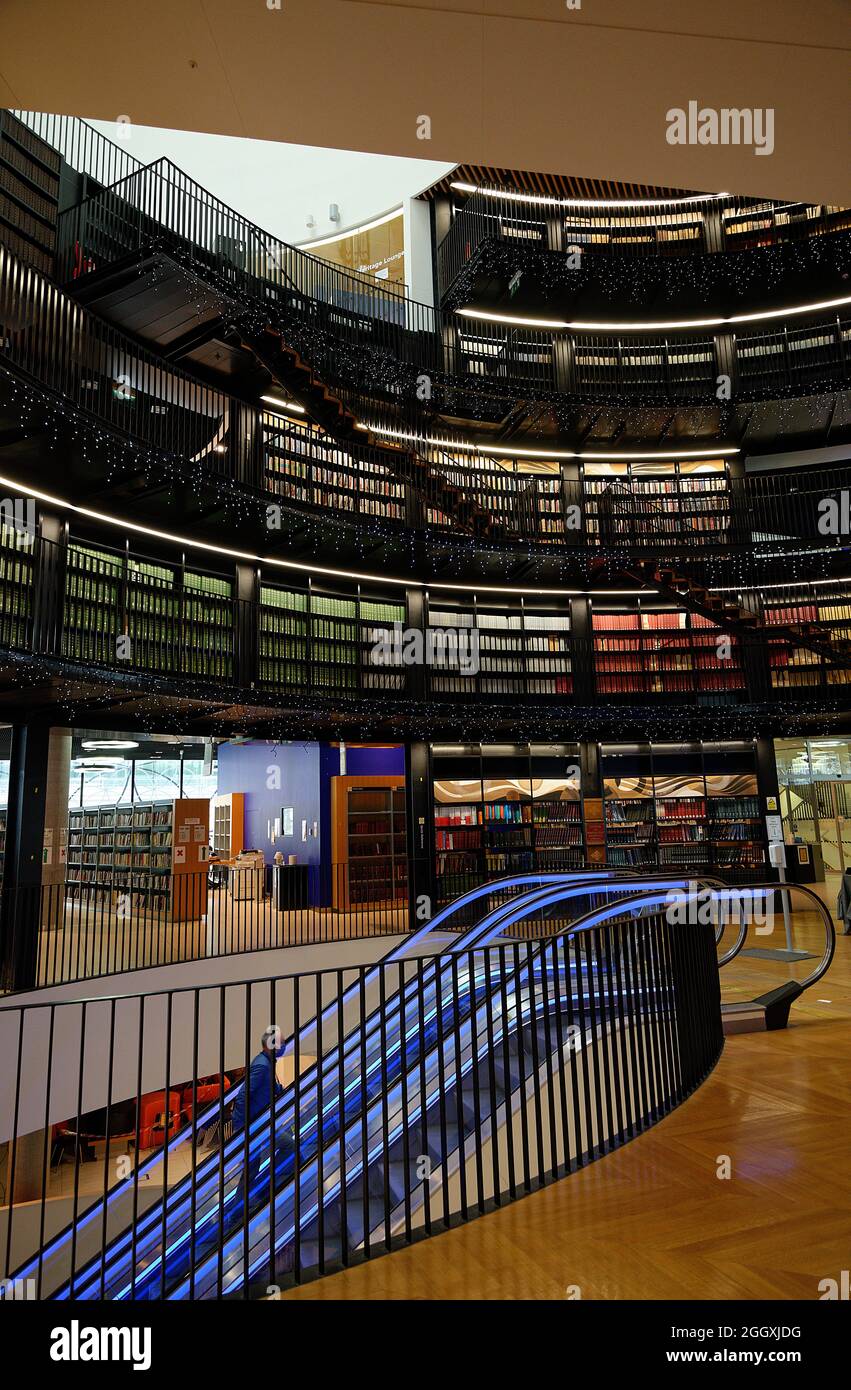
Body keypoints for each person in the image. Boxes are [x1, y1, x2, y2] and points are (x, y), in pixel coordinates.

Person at [231, 1028, 295, 1194]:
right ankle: (262, 1190)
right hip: (253, 1125)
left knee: (251, 1168)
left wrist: (282, 1090)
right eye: (282, 1043)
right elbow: (243, 1096)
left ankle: (242, 1207)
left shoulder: (266, 1062)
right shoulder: (262, 1065)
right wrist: (241, 1127)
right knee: (289, 1146)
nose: (284, 1046)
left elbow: (269, 1086)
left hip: (258, 1122)